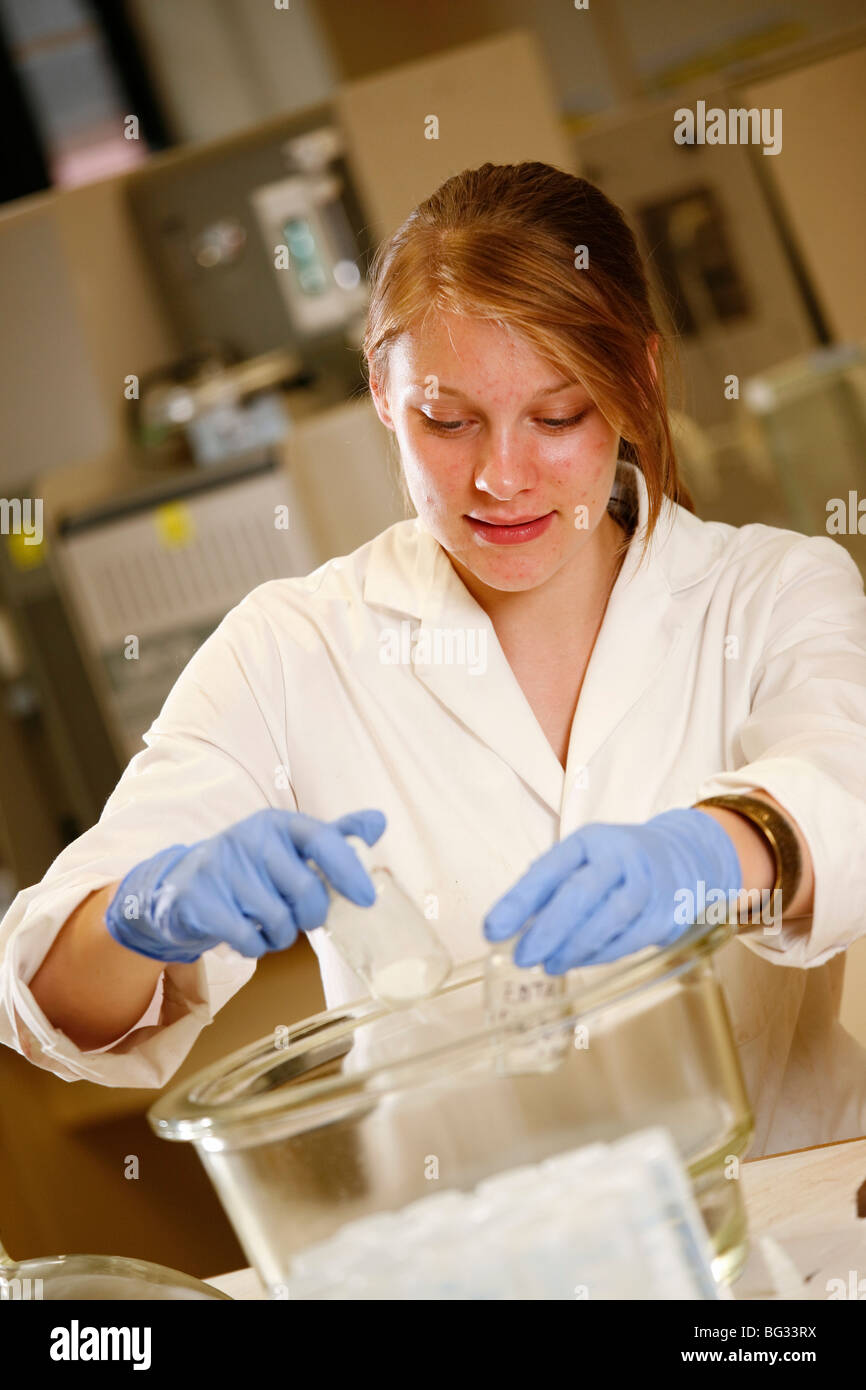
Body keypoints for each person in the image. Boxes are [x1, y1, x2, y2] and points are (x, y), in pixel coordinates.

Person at [1, 162, 865, 1159]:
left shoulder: (768, 590)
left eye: (557, 415)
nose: (500, 476)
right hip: (477, 1249)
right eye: (446, 422)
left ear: (637, 378)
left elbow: (846, 789)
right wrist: (149, 913)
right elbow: (52, 997)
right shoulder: (292, 649)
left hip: (781, 1238)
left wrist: (716, 852)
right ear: (380, 391)